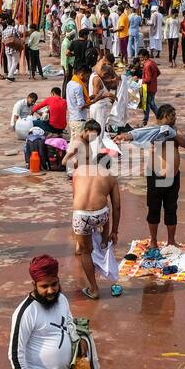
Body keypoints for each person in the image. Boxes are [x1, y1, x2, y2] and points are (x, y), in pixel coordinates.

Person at [69, 121, 122, 300]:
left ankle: (93, 288)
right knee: (103, 210)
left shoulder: (79, 172)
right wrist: (114, 231)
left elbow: (76, 197)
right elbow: (116, 206)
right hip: (100, 216)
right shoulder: (111, 177)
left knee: (85, 251)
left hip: (81, 215)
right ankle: (104, 240)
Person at [138, 104, 185, 249]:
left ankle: (171, 241)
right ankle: (153, 241)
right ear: (165, 116)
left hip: (173, 177)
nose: (175, 117)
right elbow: (141, 138)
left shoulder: (175, 130)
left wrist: (174, 133)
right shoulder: (154, 131)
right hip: (156, 176)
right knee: (154, 208)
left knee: (171, 208)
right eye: (172, 115)